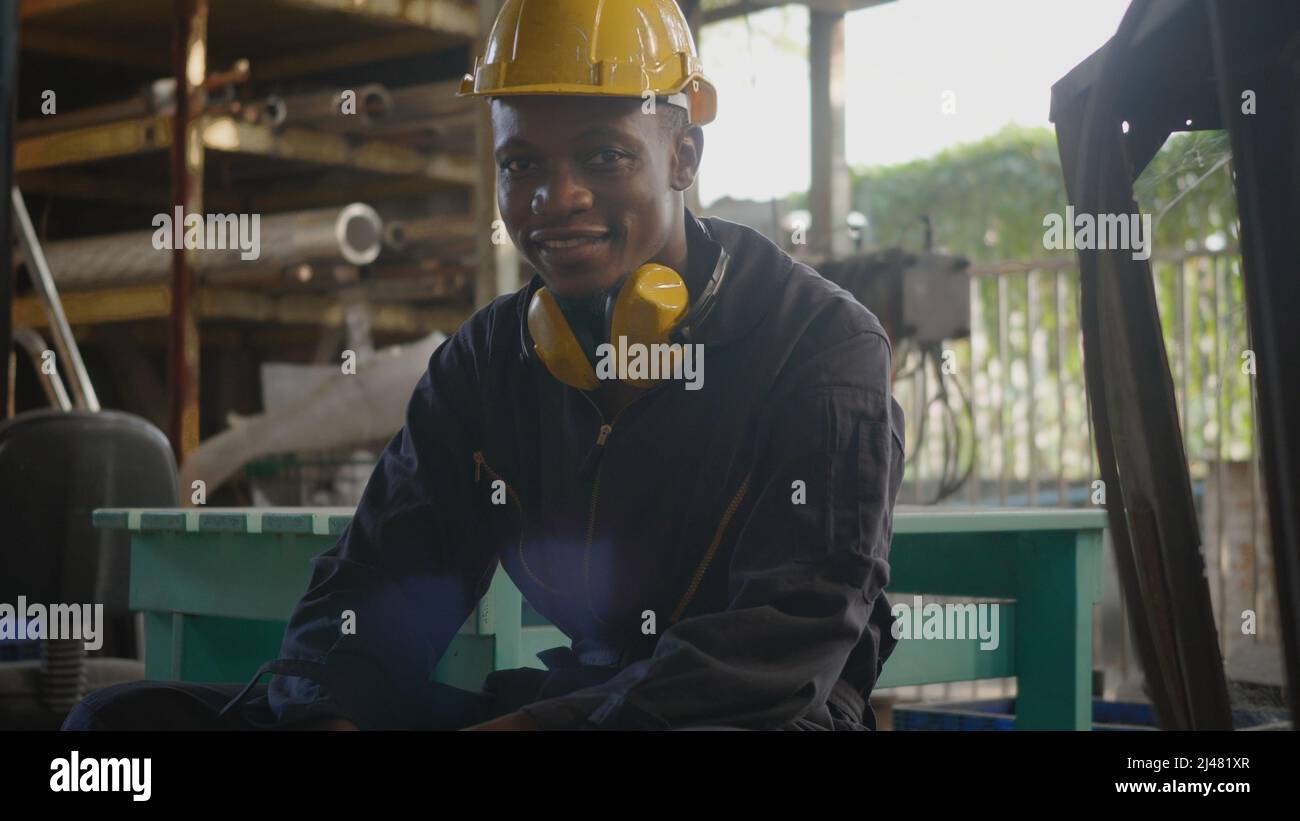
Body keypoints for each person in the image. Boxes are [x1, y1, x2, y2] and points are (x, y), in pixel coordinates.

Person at [64, 0, 905, 732]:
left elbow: (785, 642)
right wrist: (331, 709)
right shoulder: (491, 359)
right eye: (522, 164)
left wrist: (540, 726)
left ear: (683, 156)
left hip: (755, 717)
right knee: (121, 722)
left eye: (604, 155)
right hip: (566, 703)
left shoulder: (821, 347)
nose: (556, 196)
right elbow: (375, 587)